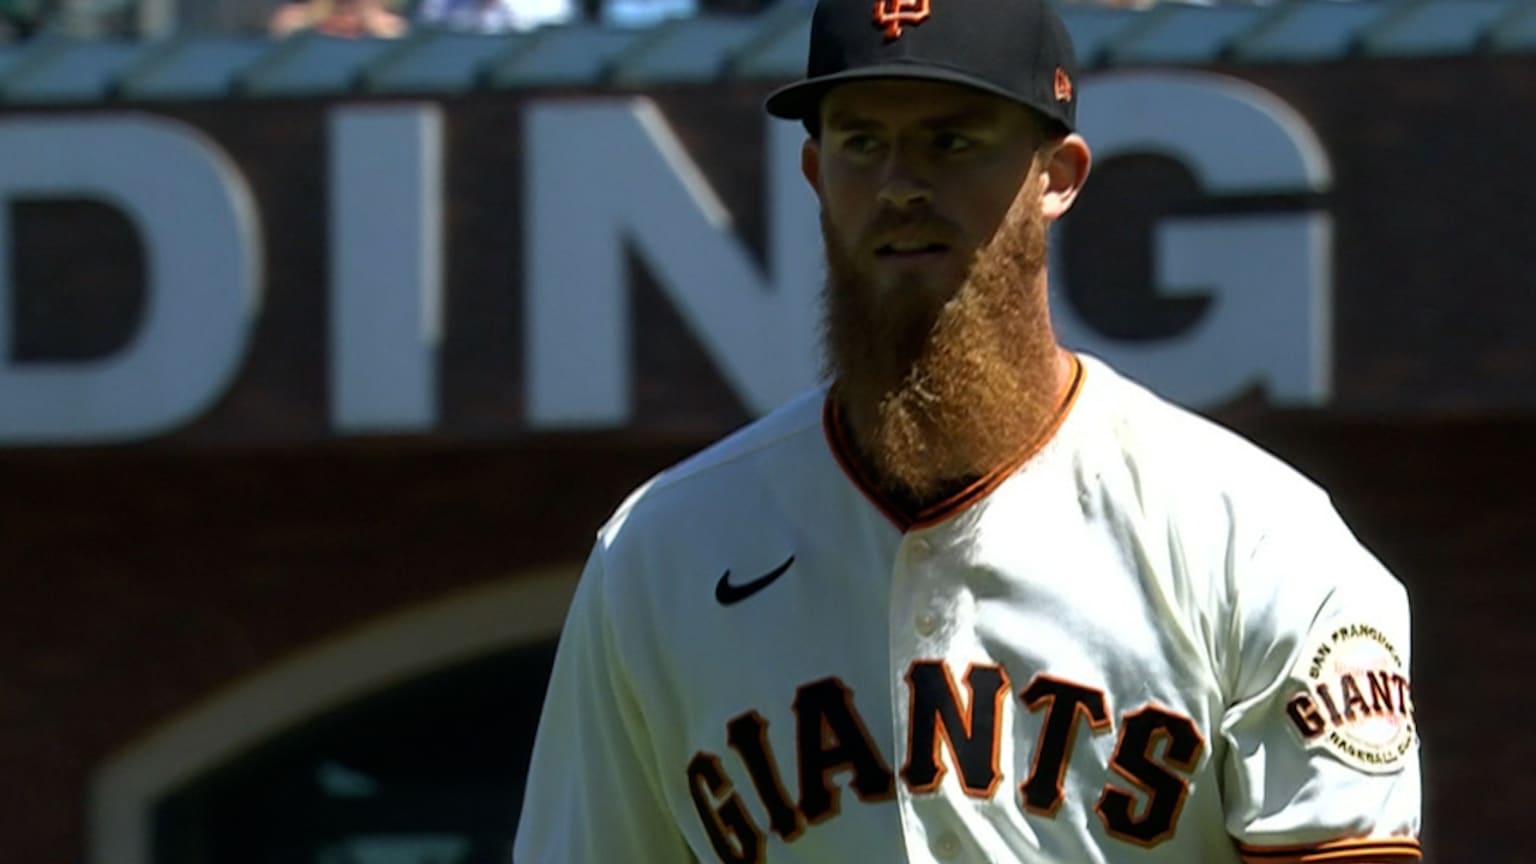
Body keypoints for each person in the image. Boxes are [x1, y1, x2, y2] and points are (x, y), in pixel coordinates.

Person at [514, 0, 1422, 859]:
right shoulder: (656, 552)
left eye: (952, 140)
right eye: (863, 142)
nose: (901, 184)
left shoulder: (1256, 541)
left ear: (1056, 176)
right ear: (816, 173)